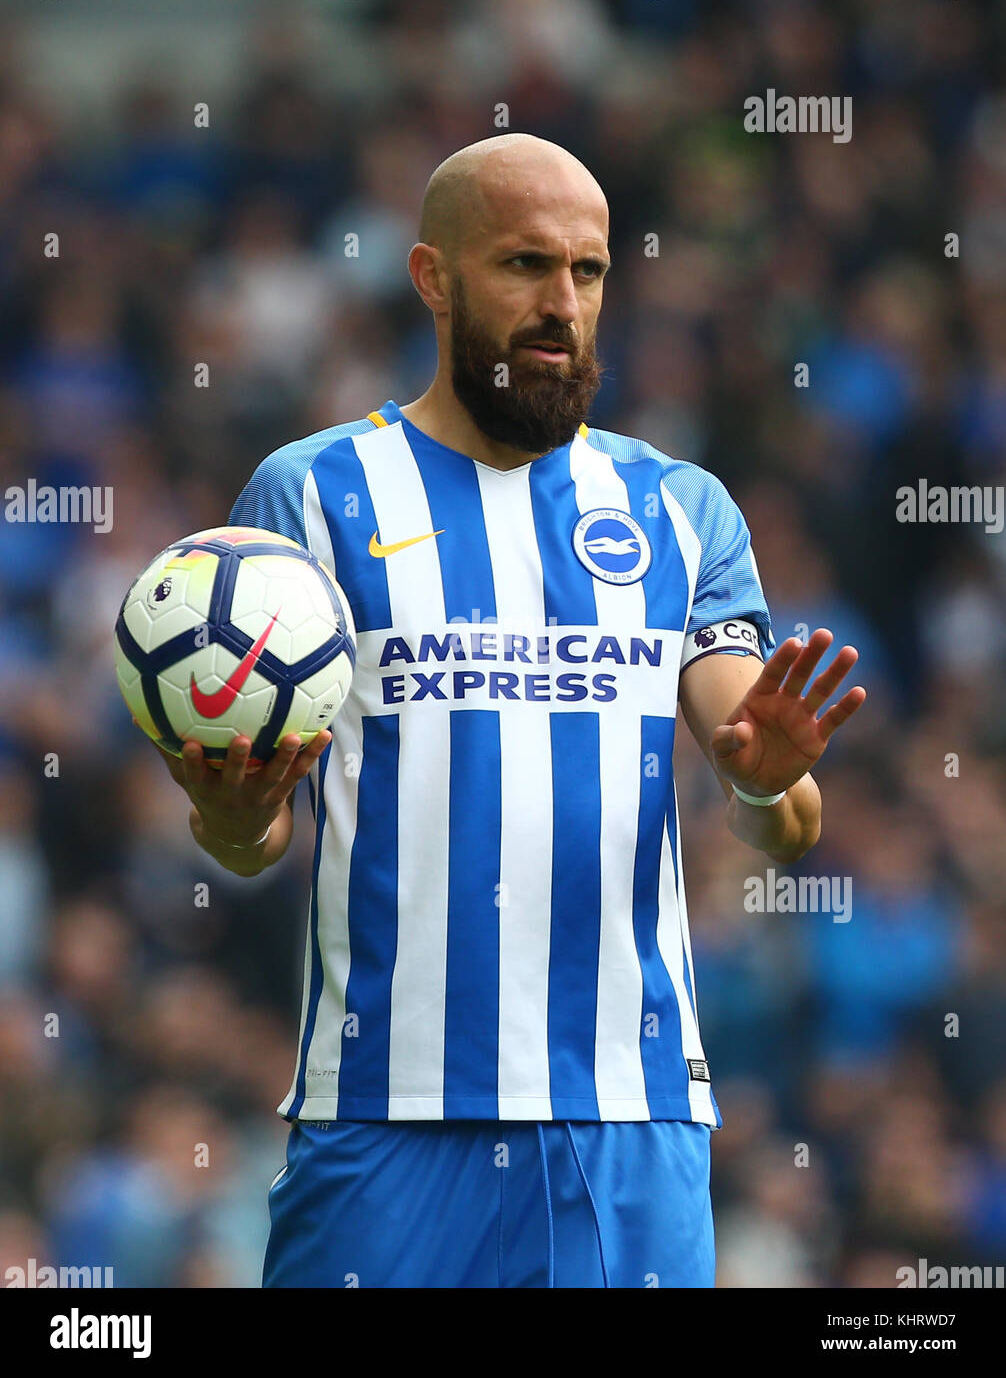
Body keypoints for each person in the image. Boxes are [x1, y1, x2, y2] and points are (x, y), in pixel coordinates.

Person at [151, 134, 866, 1287]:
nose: (562, 303)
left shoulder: (678, 509)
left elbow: (780, 818)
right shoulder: (311, 494)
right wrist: (229, 814)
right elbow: (255, 839)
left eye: (587, 273)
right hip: (385, 1114)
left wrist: (762, 774)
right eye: (527, 264)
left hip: (625, 1121)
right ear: (433, 277)